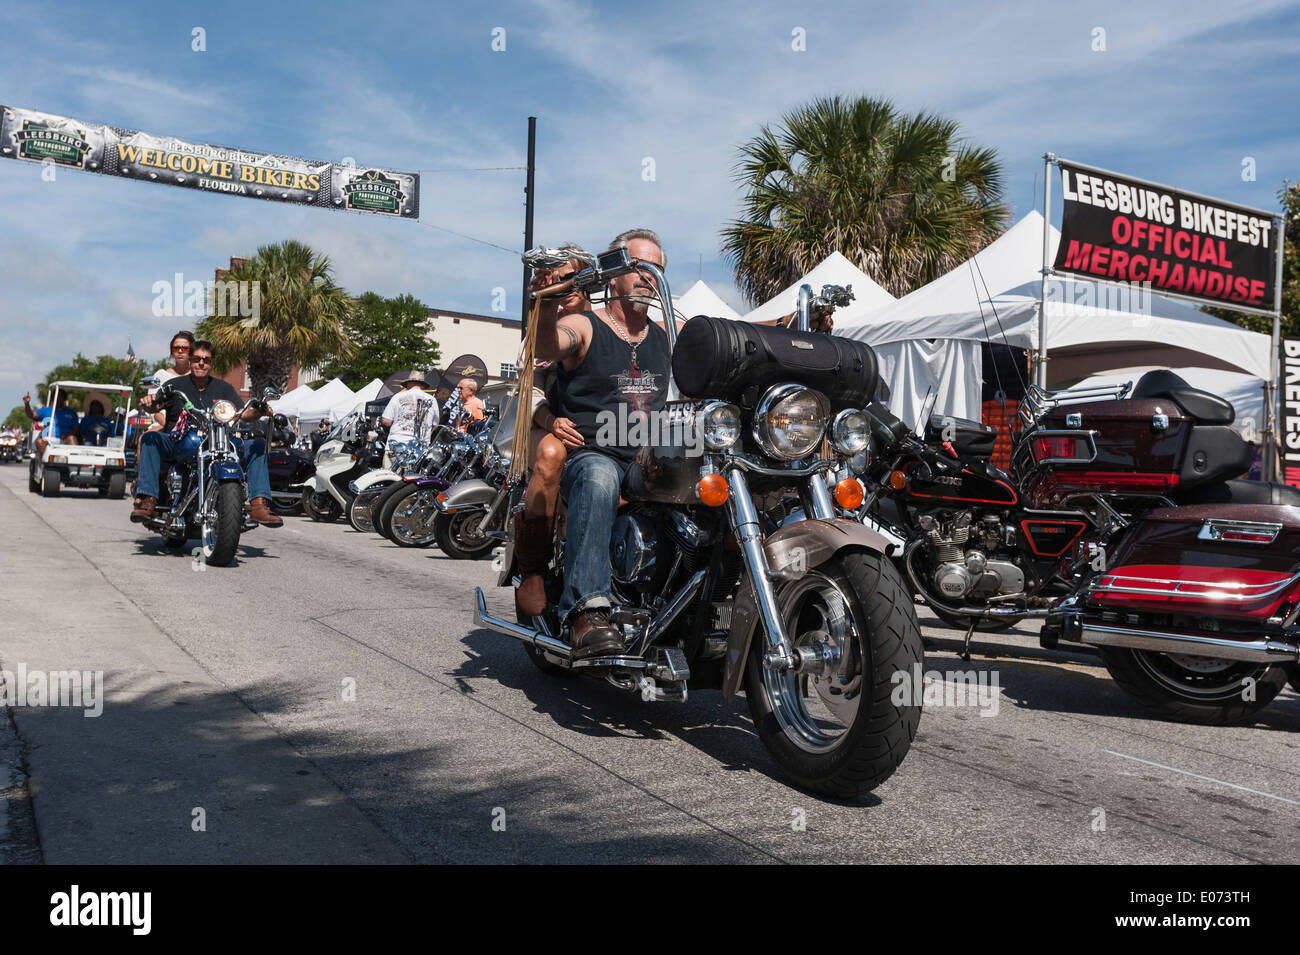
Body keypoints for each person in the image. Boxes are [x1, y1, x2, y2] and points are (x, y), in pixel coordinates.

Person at [531, 228, 674, 658]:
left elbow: (725, 335)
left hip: (650, 457)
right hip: (595, 453)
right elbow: (549, 344)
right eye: (640, 269)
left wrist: (797, 323)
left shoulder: (670, 332)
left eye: (658, 271)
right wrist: (546, 302)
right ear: (613, 275)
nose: (651, 278)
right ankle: (586, 611)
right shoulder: (584, 324)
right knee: (597, 477)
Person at [130, 340, 282, 528]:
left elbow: (242, 414)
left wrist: (258, 409)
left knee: (257, 446)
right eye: (197, 359)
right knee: (150, 438)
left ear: (211, 363)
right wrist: (149, 402)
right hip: (179, 441)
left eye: (206, 360)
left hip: (218, 441)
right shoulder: (173, 385)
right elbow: (156, 405)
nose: (201, 363)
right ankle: (147, 500)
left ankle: (259, 504)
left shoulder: (224, 388)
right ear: (190, 360)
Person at [514, 252, 590, 617]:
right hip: (552, 427)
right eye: (556, 279)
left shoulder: (613, 324)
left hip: (608, 429)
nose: (565, 286)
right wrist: (550, 420)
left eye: (571, 277)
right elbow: (531, 393)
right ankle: (532, 571)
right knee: (550, 456)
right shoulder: (547, 330)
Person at [380, 375, 438, 467]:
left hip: (396, 445)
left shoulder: (398, 396)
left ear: (408, 383)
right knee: (412, 479)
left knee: (389, 478)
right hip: (419, 451)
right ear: (422, 385)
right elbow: (435, 425)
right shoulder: (432, 400)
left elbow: (386, 421)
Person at [22, 390, 80, 456]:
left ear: (64, 398)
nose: (59, 398)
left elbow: (76, 430)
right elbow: (31, 415)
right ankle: (47, 462)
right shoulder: (46, 410)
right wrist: (27, 404)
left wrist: (66, 435)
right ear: (53, 398)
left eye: (61, 396)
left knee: (72, 438)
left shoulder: (71, 413)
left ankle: (72, 462)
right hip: (49, 439)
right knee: (39, 442)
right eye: (57, 396)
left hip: (65, 440)